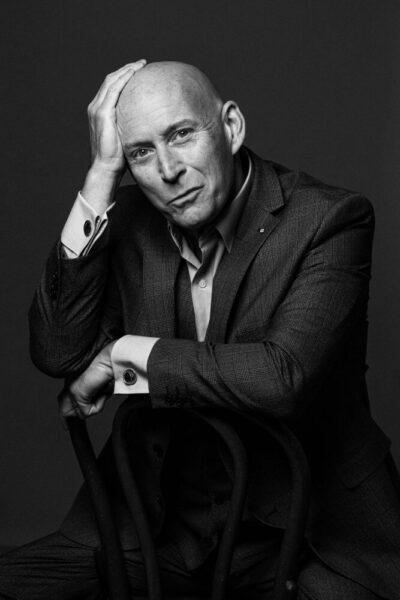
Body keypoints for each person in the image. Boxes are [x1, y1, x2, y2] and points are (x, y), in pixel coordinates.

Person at [1, 59, 400, 599]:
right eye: (141, 153)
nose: (168, 170)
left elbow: (283, 377)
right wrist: (100, 178)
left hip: (311, 534)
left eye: (182, 135)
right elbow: (56, 351)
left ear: (231, 127)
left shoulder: (329, 219)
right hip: (158, 526)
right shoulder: (129, 219)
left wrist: (125, 354)